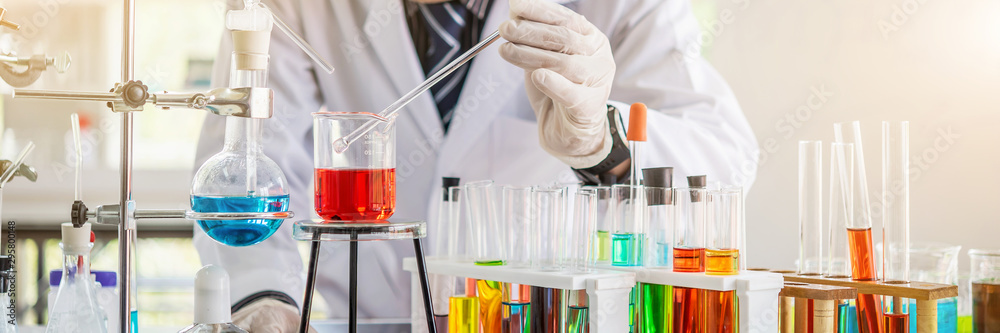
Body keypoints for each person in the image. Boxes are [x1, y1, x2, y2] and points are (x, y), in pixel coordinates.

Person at [193, 0, 759, 330]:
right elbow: (245, 169)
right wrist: (262, 298)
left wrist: (601, 143)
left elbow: (726, 159)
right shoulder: (297, 7)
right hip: (368, 322)